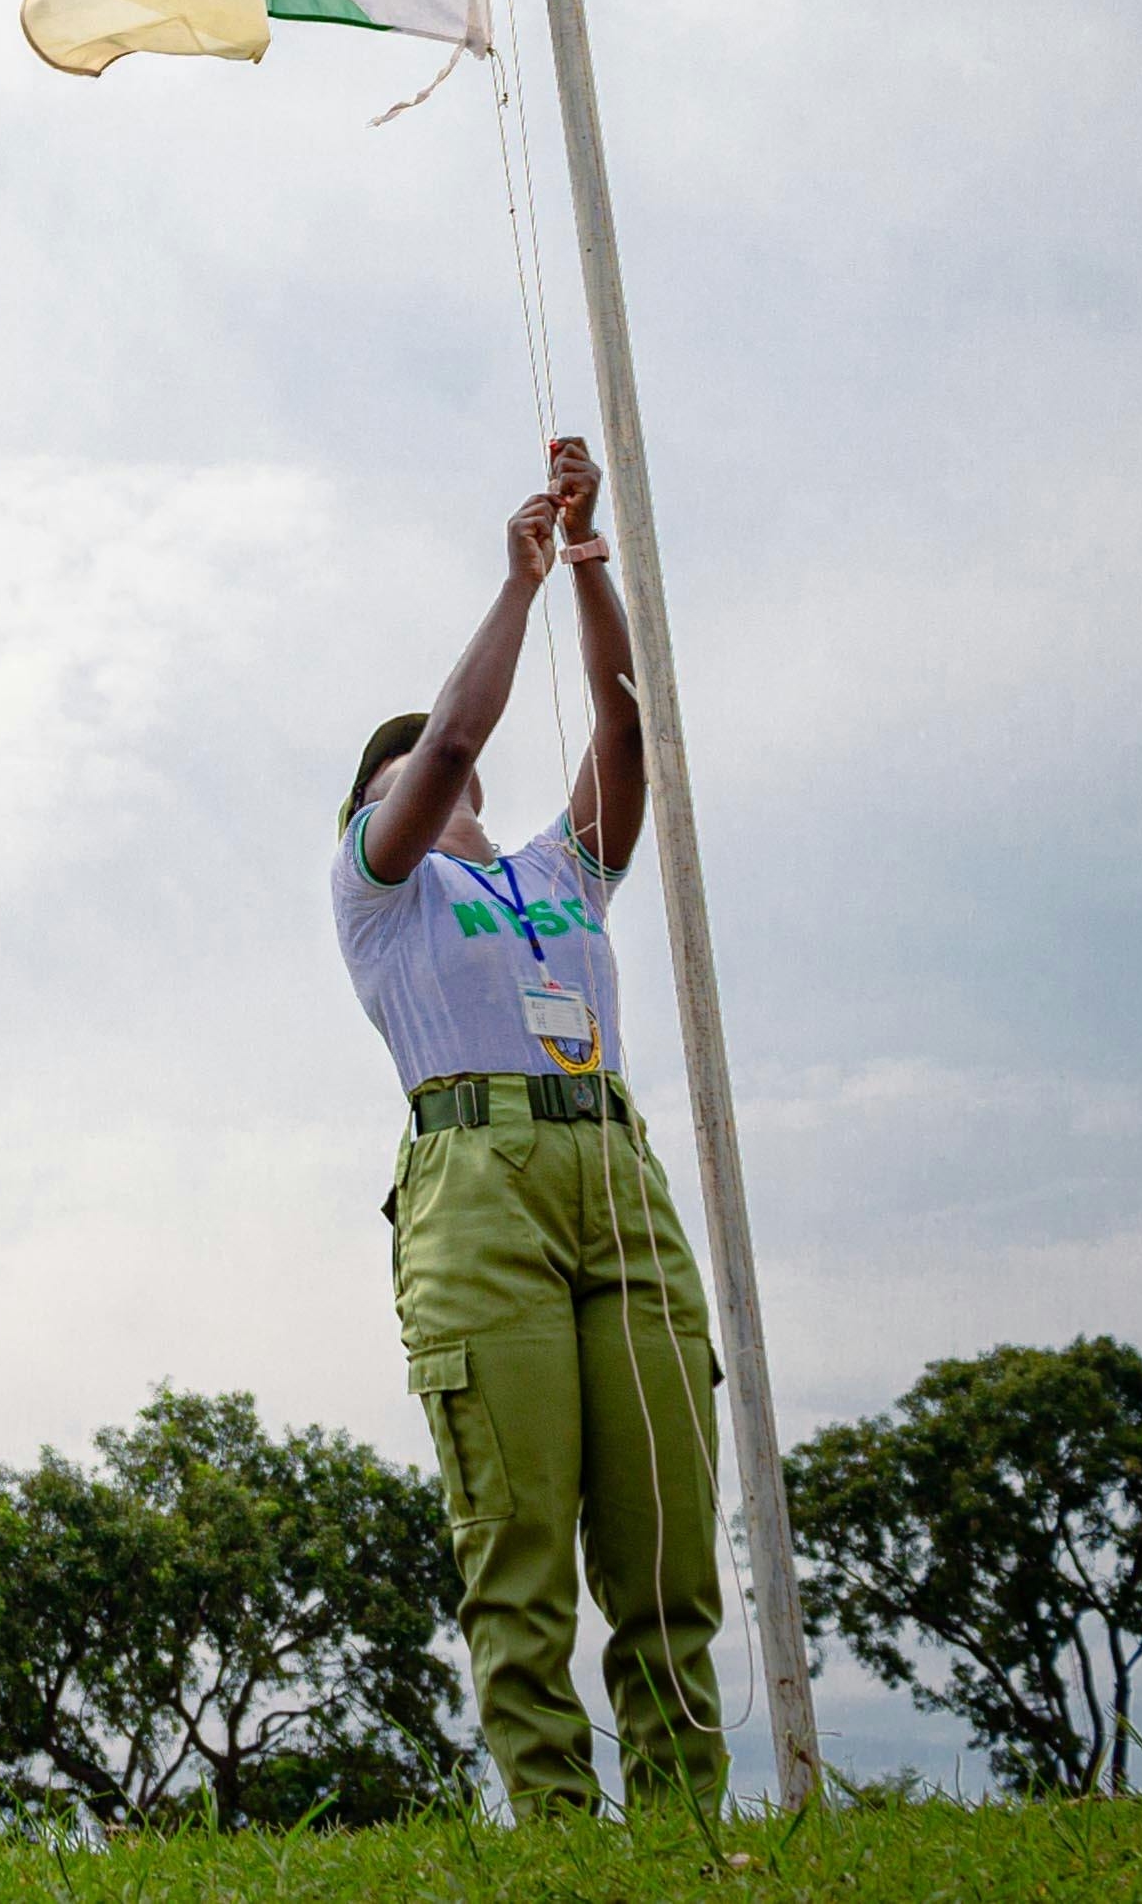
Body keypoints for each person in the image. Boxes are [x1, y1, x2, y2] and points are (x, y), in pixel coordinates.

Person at [335, 435, 725, 1818]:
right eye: (393, 780)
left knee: (664, 1535)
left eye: (433, 784)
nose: (428, 784)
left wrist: (584, 565)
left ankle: (685, 1829)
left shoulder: (559, 871)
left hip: (610, 1171)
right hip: (474, 1184)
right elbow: (448, 737)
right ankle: (560, 1831)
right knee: (518, 1542)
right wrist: (510, 587)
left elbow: (626, 732)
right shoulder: (382, 892)